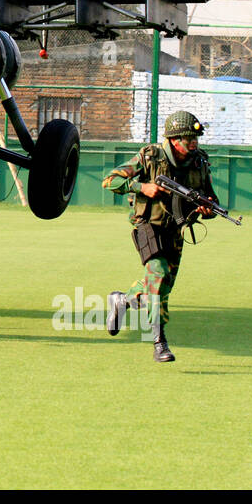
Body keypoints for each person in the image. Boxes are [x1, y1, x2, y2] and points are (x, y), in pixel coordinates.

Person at [100, 110, 217, 362]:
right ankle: (159, 342)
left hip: (175, 229)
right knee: (159, 273)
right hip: (147, 226)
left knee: (162, 288)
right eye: (188, 138)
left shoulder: (200, 162)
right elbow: (109, 181)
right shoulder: (150, 157)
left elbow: (210, 197)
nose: (194, 142)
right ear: (174, 139)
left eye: (196, 137)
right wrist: (141, 186)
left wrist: (208, 210)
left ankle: (123, 300)